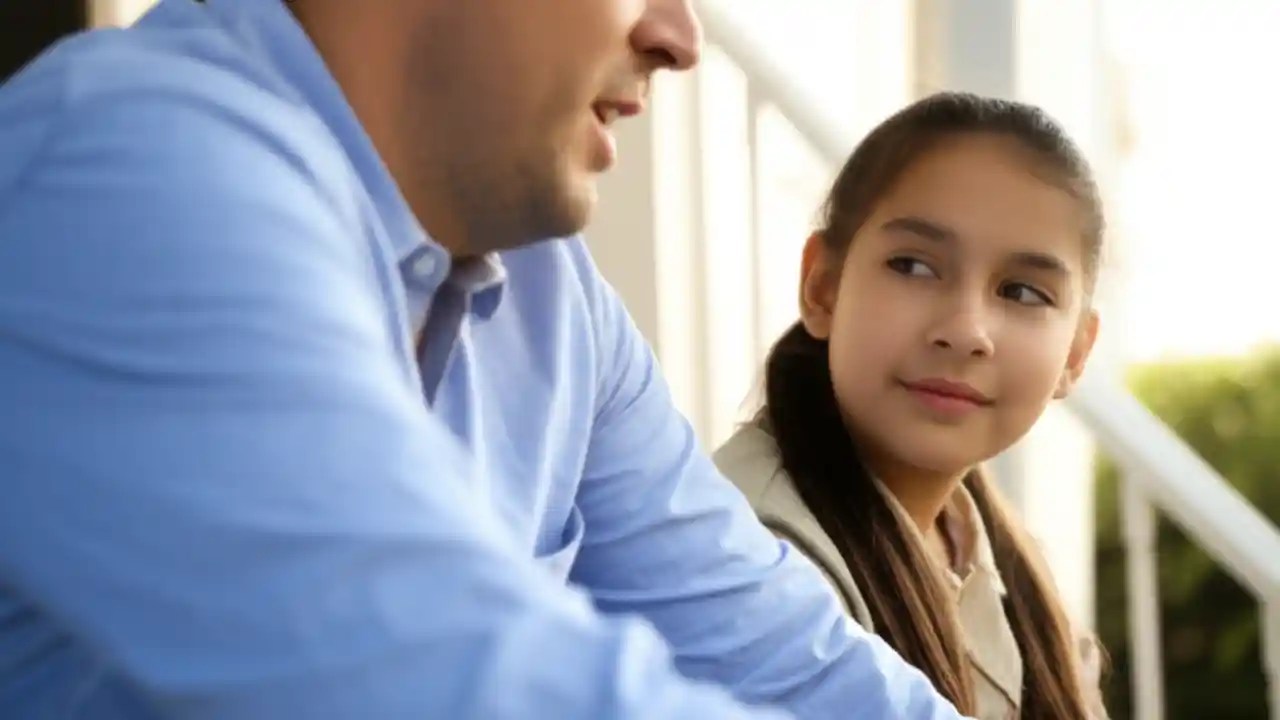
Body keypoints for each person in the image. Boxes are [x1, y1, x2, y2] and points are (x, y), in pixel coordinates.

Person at [0, 1, 969, 718]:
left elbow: (777, 653)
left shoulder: (546, 288)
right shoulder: (127, 167)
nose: (678, 37)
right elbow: (452, 681)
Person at [714, 92, 1111, 719]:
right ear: (823, 286)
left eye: (1024, 292)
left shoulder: (981, 548)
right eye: (915, 266)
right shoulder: (751, 559)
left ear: (1076, 355)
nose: (967, 329)